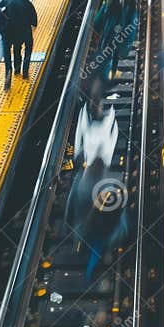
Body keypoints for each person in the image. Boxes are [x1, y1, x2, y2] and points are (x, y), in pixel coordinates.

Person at [65, 78, 119, 281]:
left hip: (82, 230)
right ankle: (91, 270)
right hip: (97, 233)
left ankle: (84, 253)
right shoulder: (107, 188)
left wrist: (69, 224)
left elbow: (70, 208)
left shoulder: (80, 182)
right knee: (101, 238)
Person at [0, 0, 38, 91]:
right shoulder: (26, 3)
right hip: (22, 33)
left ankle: (8, 73)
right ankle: (23, 71)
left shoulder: (4, 1)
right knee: (25, 47)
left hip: (7, 33)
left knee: (7, 53)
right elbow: (34, 22)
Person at [95, 0, 130, 79]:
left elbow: (97, 21)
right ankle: (112, 73)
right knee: (114, 53)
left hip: (106, 34)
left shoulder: (106, 6)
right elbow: (122, 21)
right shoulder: (120, 8)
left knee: (103, 50)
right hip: (114, 35)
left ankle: (101, 72)